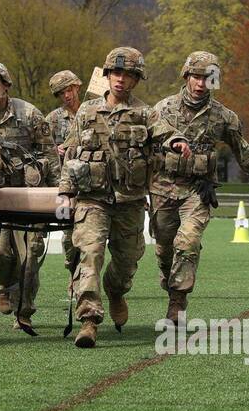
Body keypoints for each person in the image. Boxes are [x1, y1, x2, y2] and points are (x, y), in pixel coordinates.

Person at [55, 48, 177, 347]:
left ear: (136, 80)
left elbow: (165, 132)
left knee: (127, 261)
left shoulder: (146, 113)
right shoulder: (86, 111)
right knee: (91, 253)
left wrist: (178, 142)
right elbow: (71, 153)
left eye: (129, 75)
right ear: (107, 76)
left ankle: (115, 291)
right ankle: (89, 320)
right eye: (116, 73)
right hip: (92, 198)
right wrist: (65, 193)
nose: (121, 80)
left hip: (130, 201)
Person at [149, 51, 249, 325]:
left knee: (188, 242)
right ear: (186, 76)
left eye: (207, 78)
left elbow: (241, 148)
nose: (200, 83)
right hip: (163, 188)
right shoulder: (162, 109)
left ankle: (177, 302)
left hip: (198, 190)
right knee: (164, 249)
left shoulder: (223, 116)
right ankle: (169, 278)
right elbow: (143, 145)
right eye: (196, 76)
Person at [0, 61, 58, 330]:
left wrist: (60, 195)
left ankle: (24, 312)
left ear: (6, 84)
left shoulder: (29, 114)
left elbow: (50, 156)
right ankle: (7, 285)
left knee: (30, 254)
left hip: (27, 199)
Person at [45, 70, 84, 273]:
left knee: (89, 234)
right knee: (68, 234)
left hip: (92, 183)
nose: (66, 96)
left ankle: (86, 278)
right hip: (65, 185)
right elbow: (41, 148)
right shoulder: (52, 119)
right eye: (61, 93)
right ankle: (73, 272)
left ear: (77, 87)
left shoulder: (93, 111)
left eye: (69, 90)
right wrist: (55, 150)